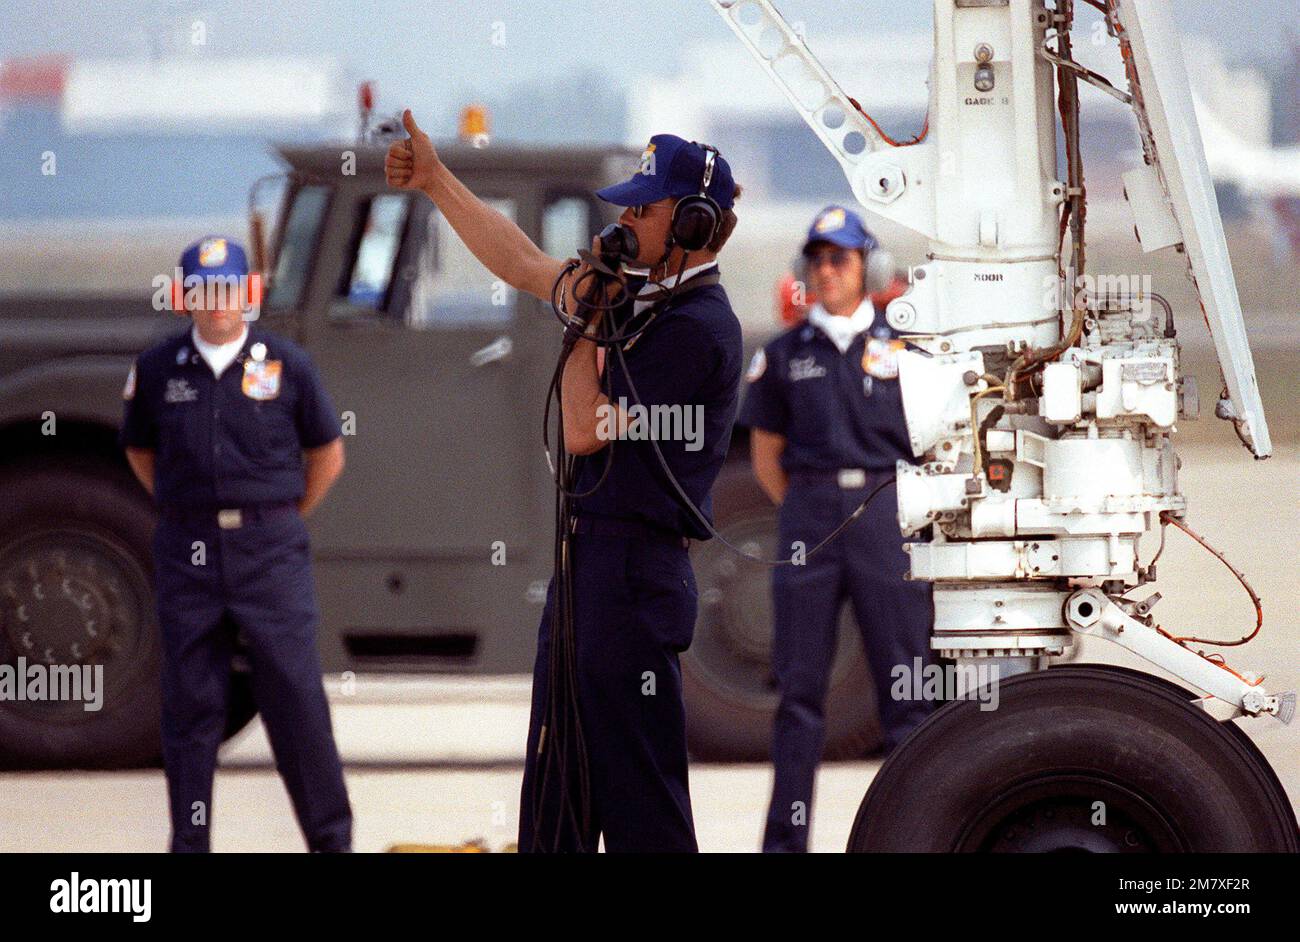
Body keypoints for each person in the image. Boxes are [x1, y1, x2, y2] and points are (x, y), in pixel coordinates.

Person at [386, 112, 743, 852]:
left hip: (636, 575)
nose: (624, 222)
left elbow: (587, 427)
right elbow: (519, 262)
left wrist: (583, 323)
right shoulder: (636, 295)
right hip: (586, 569)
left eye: (643, 210)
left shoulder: (697, 327)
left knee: (643, 807)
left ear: (694, 222)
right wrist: (435, 181)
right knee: (557, 798)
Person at [120, 236, 351, 852]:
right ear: (184, 297)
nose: (217, 303)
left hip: (270, 551)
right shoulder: (158, 369)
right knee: (191, 710)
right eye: (203, 290)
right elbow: (141, 453)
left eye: (228, 288)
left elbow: (327, 453)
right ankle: (189, 844)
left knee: (297, 703)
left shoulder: (288, 364)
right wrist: (187, 509)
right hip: (187, 551)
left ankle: (332, 842)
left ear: (247, 292)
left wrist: (278, 514)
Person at [738, 205, 936, 853]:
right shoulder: (784, 354)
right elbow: (767, 454)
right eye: (817, 258)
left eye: (839, 258)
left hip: (886, 519)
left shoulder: (906, 351)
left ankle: (913, 841)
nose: (826, 270)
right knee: (799, 696)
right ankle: (784, 844)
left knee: (906, 691)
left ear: (867, 268)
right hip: (810, 523)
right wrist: (806, 513)